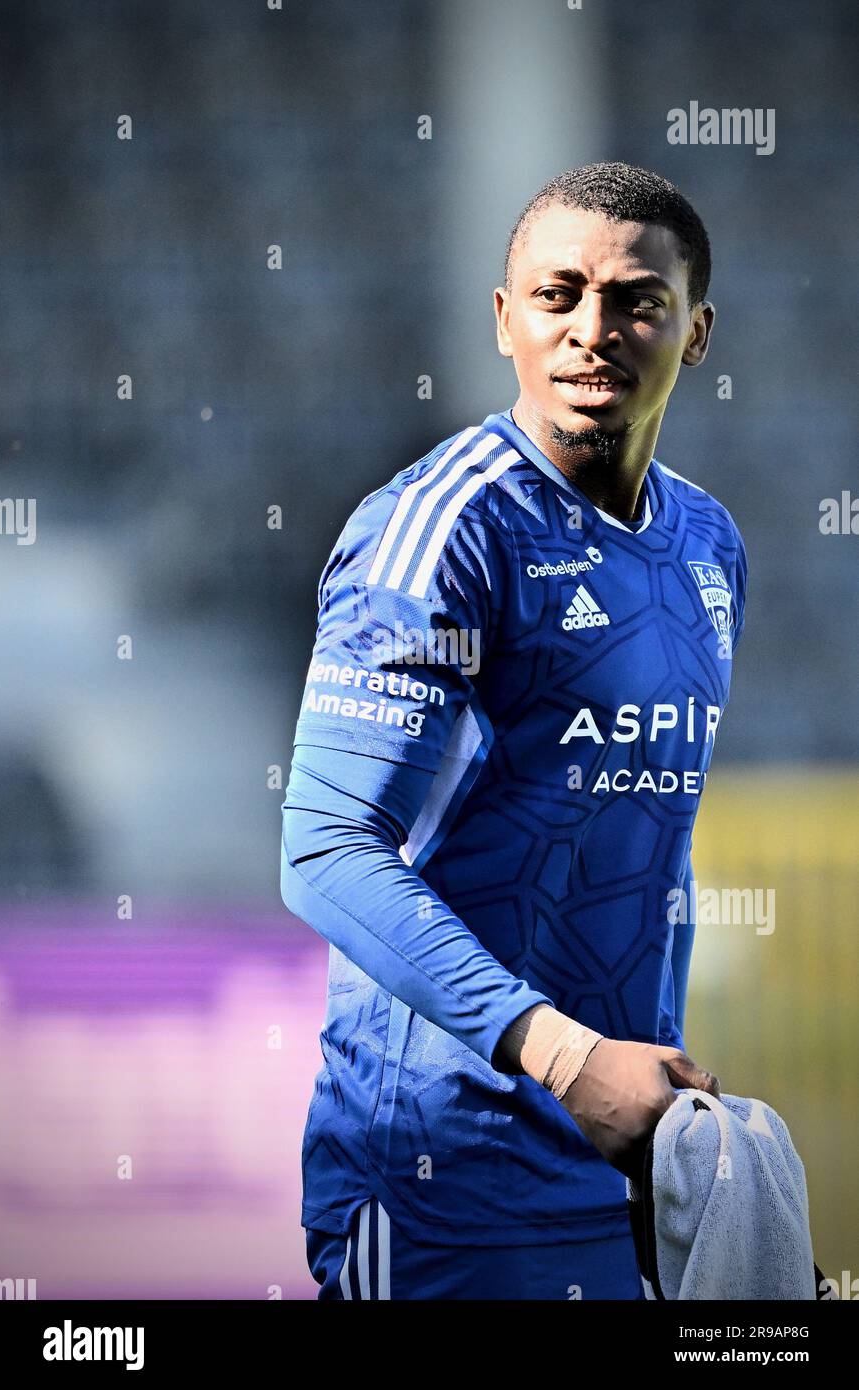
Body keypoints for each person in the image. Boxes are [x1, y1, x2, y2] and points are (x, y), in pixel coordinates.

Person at [280, 161, 747, 1300]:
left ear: (692, 332)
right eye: (556, 295)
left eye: (637, 300)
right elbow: (325, 850)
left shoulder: (706, 542)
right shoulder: (440, 534)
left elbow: (633, 836)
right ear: (503, 320)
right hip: (438, 1172)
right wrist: (563, 1054)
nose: (593, 329)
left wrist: (643, 1092)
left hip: (612, 1158)